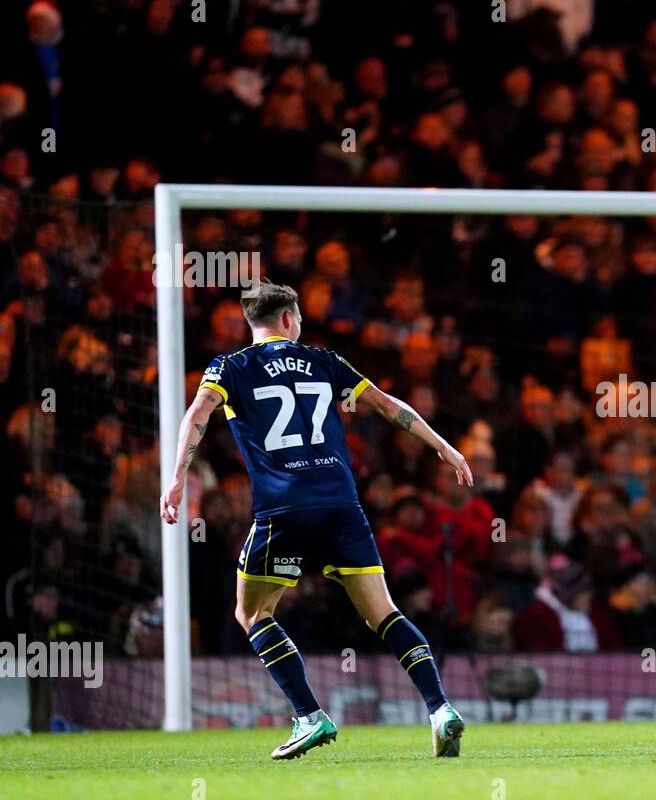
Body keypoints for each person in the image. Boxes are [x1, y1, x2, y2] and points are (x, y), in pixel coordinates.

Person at [159, 283, 474, 759]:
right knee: (384, 613)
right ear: (289, 318)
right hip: (341, 506)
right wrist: (444, 447)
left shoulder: (230, 366)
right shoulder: (323, 360)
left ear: (255, 323)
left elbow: (196, 414)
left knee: (253, 613)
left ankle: (310, 715)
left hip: (285, 511)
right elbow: (391, 407)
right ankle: (440, 709)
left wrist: (178, 476)